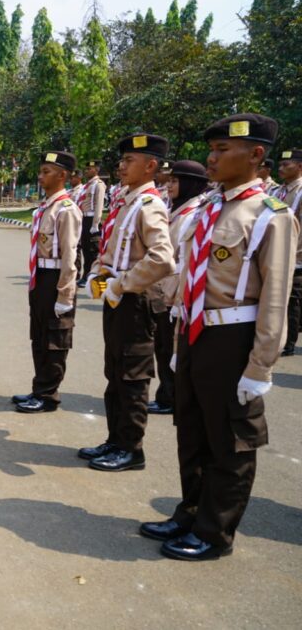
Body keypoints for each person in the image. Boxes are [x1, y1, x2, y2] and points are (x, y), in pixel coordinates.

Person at [141, 113, 298, 561]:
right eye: (211, 149)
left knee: (230, 439)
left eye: (222, 150)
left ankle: (214, 532)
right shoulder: (209, 208)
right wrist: (178, 345)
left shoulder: (270, 216)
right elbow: (188, 278)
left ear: (256, 154)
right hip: (194, 333)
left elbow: (275, 297)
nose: (211, 158)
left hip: (234, 338)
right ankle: (190, 512)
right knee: (191, 430)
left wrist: (260, 366)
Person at [81, 133, 175, 471]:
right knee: (115, 372)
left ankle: (131, 448)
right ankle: (115, 439)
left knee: (133, 376)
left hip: (136, 300)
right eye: (121, 160)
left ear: (150, 166)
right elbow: (110, 250)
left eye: (129, 161)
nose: (121, 166)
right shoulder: (126, 201)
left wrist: (121, 285)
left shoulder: (150, 206)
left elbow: (162, 259)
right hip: (117, 296)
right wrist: (97, 275)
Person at [11, 151, 82, 413]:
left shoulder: (66, 210)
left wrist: (65, 294)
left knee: (54, 338)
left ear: (62, 175)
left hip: (55, 279)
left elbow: (70, 256)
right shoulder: (46, 207)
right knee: (39, 335)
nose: (40, 177)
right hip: (40, 278)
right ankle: (39, 387)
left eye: (46, 172)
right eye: (40, 171)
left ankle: (48, 394)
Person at [147, 161, 211, 415]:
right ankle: (167, 394)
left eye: (175, 181)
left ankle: (172, 398)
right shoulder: (176, 210)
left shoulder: (193, 214)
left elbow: (185, 261)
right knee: (162, 346)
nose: (169, 186)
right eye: (170, 180)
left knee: (169, 347)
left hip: (175, 293)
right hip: (163, 289)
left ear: (191, 184)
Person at [274, 148, 302, 356]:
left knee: (292, 300)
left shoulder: (300, 191)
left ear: (300, 166)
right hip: (277, 252)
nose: (281, 168)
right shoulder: (278, 191)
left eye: (286, 164)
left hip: (295, 255)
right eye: (281, 164)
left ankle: (289, 343)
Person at [77, 160, 106, 287]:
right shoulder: (87, 186)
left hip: (91, 220)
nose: (86, 171)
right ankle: (86, 275)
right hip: (84, 219)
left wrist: (95, 224)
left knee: (92, 251)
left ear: (96, 170)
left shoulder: (99, 185)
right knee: (85, 250)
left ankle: (90, 277)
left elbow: (99, 205)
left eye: (90, 169)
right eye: (86, 168)